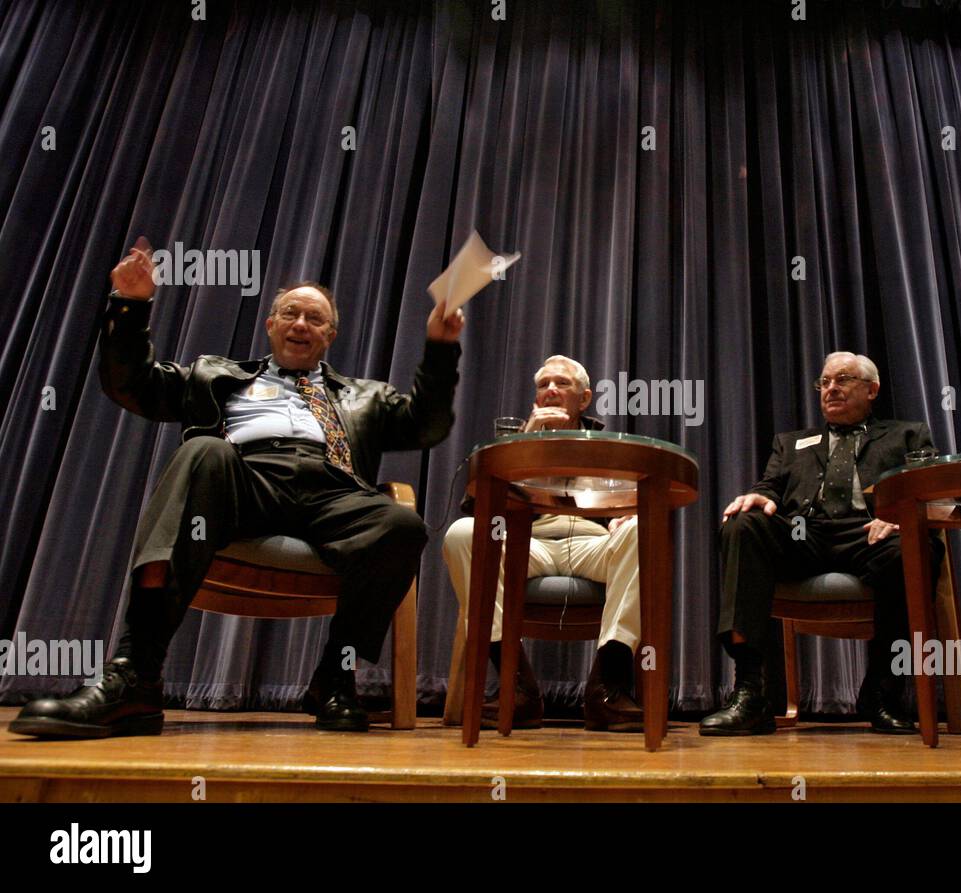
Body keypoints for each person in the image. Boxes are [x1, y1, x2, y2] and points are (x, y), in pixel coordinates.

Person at [8, 237, 464, 738]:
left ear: (329, 335)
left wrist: (441, 349)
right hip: (241, 484)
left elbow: (426, 427)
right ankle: (136, 675)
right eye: (291, 313)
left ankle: (336, 678)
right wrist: (130, 305)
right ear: (271, 324)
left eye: (315, 320)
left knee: (401, 523)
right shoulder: (214, 375)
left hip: (332, 492)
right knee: (204, 450)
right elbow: (130, 384)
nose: (301, 324)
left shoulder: (366, 396)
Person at [700, 351, 940, 736]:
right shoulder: (792, 442)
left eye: (842, 379)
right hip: (803, 534)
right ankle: (750, 693)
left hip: (870, 533)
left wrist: (901, 518)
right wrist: (758, 497)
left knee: (913, 551)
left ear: (872, 389)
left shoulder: (905, 434)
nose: (831, 388)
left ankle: (882, 694)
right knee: (742, 526)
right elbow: (769, 488)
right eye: (825, 382)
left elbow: (928, 489)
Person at [442, 355, 643, 732]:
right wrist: (523, 446)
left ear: (583, 399)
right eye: (543, 384)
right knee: (462, 533)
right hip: (528, 543)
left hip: (593, 544)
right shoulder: (513, 438)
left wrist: (626, 513)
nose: (550, 389)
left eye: (561, 384)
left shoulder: (608, 446)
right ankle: (516, 686)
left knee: (644, 531)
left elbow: (632, 497)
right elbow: (478, 507)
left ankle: (608, 688)